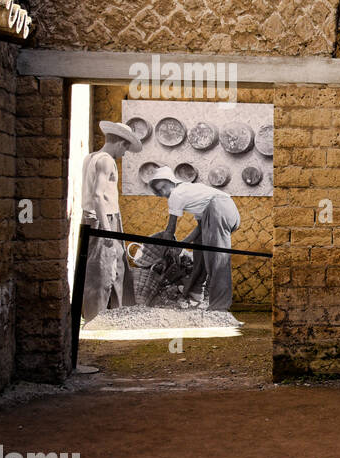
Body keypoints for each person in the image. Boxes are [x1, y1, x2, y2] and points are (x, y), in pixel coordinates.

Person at [147, 167, 241, 312]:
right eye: (159, 191)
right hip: (226, 210)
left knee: (217, 259)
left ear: (171, 182)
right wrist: (181, 245)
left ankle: (219, 307)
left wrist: (162, 255)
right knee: (200, 250)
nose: (162, 194)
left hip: (220, 209)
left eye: (163, 188)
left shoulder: (176, 194)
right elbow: (200, 228)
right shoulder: (190, 191)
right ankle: (195, 295)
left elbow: (170, 230)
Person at [80, 120, 141, 323]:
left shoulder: (90, 157)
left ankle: (114, 313)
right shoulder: (106, 160)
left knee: (113, 266)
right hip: (103, 219)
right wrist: (106, 230)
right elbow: (97, 196)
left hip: (99, 218)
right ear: (120, 143)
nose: (124, 154)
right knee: (103, 271)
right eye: (126, 149)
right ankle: (97, 319)